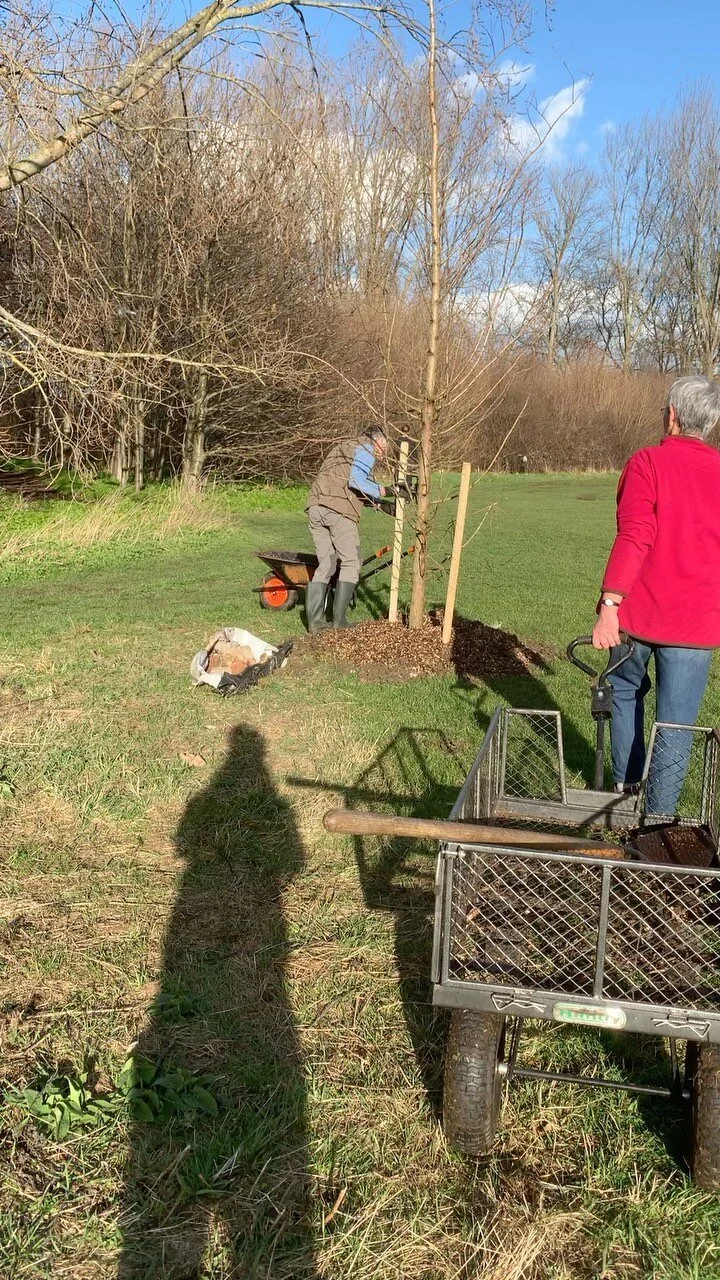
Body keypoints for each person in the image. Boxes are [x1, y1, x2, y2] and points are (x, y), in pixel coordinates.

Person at [592, 374, 720, 815]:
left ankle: (627, 792)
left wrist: (610, 604)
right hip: (696, 624)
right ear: (710, 423)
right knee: (676, 723)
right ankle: (659, 818)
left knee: (625, 690)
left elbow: (635, 534)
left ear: (672, 416)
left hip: (638, 614)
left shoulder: (647, 463)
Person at [304, 427, 389, 632]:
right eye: (384, 448)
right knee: (352, 562)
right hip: (338, 513)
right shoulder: (366, 449)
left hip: (315, 508)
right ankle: (339, 621)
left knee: (326, 564)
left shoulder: (342, 448)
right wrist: (384, 490)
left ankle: (315, 623)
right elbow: (356, 481)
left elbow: (344, 483)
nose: (383, 454)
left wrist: (377, 503)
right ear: (377, 442)